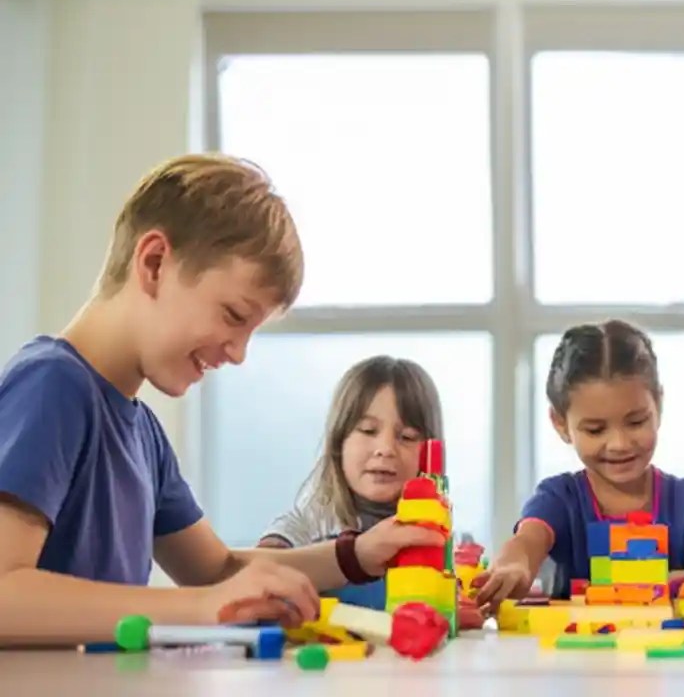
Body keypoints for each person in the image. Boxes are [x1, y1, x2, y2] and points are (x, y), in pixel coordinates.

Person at [0, 155, 434, 645]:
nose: (239, 353)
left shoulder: (142, 434)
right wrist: (199, 608)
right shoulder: (52, 387)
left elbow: (215, 570)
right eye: (233, 315)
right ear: (155, 263)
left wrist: (356, 555)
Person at [473, 320, 684, 609]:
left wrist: (681, 591)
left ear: (659, 405)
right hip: (575, 654)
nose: (619, 443)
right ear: (560, 424)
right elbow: (526, 544)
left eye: (636, 422)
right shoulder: (558, 498)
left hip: (670, 654)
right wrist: (511, 567)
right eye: (595, 430)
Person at [257, 355, 444, 608]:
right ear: (338, 443)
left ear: (431, 454)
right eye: (368, 431)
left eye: (407, 437)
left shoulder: (436, 536)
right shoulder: (303, 526)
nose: (386, 448)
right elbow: (255, 577)